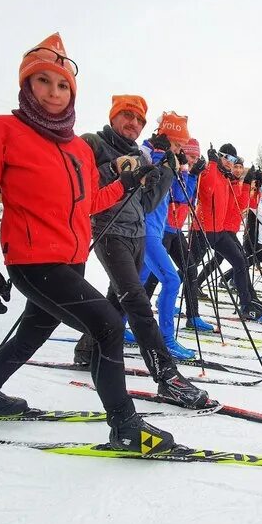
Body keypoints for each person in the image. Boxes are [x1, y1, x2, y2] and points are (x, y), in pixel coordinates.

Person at [0, 33, 175, 452]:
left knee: (33, 331)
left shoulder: (75, 148)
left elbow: (90, 201)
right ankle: (126, 427)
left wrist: (126, 183)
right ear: (26, 85)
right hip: (34, 262)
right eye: (42, 81)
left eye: (62, 85)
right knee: (109, 324)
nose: (53, 92)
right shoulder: (2, 130)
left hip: (70, 261)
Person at [72, 95, 213, 409]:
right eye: (126, 116)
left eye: (139, 119)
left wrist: (164, 172)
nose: (132, 124)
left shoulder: (143, 154)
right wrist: (132, 165)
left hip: (137, 234)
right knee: (137, 301)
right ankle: (167, 377)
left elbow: (146, 203)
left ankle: (86, 350)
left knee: (117, 302)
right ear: (113, 116)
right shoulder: (96, 144)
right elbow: (91, 187)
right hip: (111, 233)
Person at [139, 113, 200, 360]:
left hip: (153, 229)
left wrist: (184, 171)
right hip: (146, 231)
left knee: (137, 285)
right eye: (177, 145)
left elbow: (177, 194)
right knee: (172, 280)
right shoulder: (146, 152)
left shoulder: (170, 160)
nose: (178, 150)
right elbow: (145, 180)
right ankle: (165, 340)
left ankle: (120, 328)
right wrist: (162, 159)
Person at [195, 144, 262, 322]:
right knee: (189, 269)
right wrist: (213, 164)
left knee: (241, 262)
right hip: (205, 230)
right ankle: (187, 303)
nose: (232, 165)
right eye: (228, 160)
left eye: (236, 162)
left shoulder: (228, 179)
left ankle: (247, 304)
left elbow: (244, 204)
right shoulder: (212, 172)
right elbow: (207, 189)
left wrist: (250, 184)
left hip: (222, 230)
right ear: (219, 157)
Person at [142, 138, 212, 331]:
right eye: (191, 156)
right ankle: (140, 316)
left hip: (176, 230)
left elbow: (188, 198)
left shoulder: (185, 172)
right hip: (163, 229)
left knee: (190, 269)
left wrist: (193, 175)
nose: (193, 160)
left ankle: (193, 316)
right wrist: (190, 175)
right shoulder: (175, 169)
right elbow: (180, 196)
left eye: (196, 157)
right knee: (154, 277)